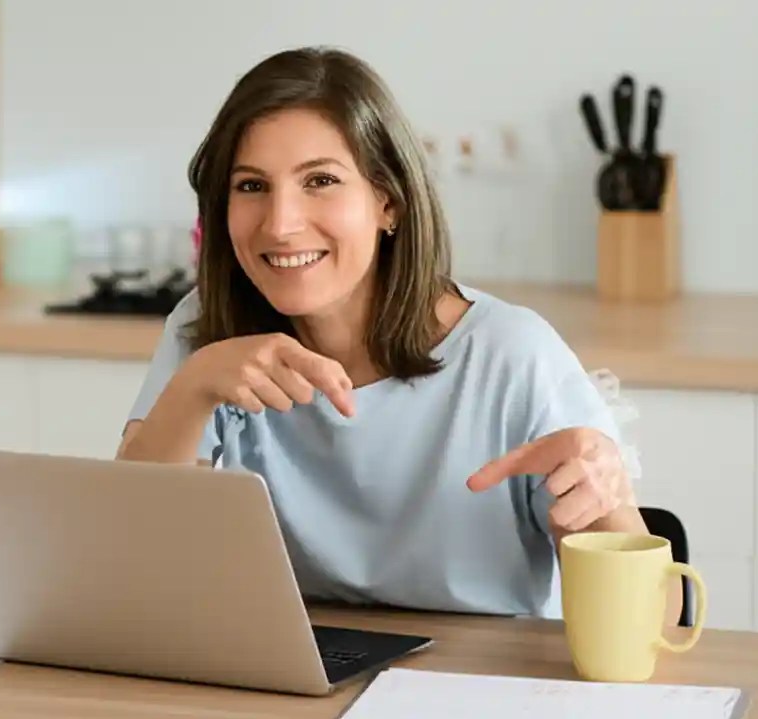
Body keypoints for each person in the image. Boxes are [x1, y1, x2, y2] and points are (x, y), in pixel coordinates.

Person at [118, 46, 679, 623]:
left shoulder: (511, 355)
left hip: (479, 673)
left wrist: (610, 506)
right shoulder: (207, 327)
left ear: (387, 201)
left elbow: (656, 623)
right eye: (251, 186)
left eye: (320, 180)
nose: (280, 224)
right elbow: (128, 558)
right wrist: (193, 388)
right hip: (290, 668)